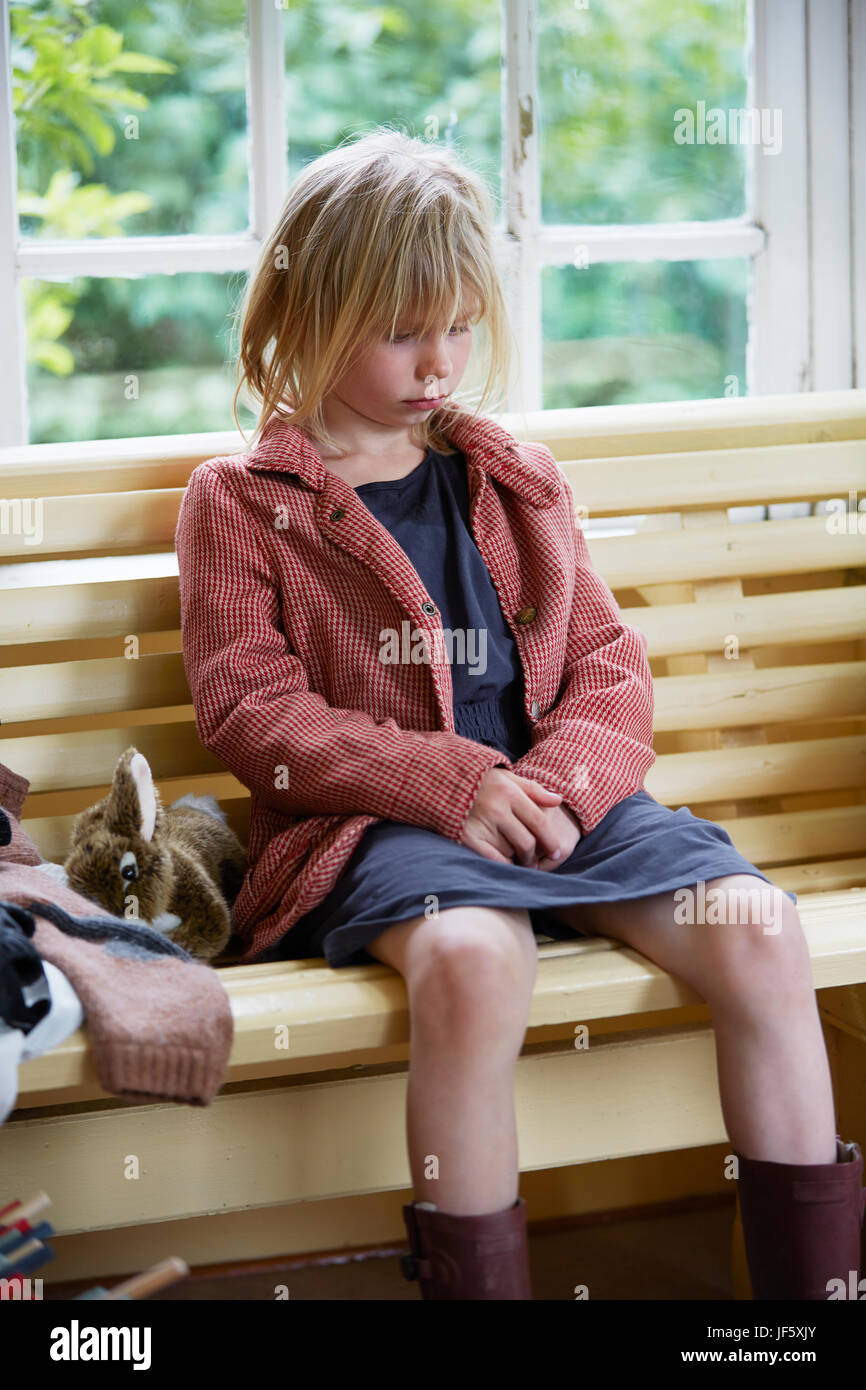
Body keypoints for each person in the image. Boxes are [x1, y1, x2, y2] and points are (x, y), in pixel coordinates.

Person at [174, 127, 864, 1301]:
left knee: (756, 925)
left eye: (457, 325)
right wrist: (450, 784)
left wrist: (565, 785)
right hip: (375, 828)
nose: (438, 360)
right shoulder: (243, 503)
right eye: (402, 331)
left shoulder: (513, 476)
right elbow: (252, 712)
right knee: (471, 958)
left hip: (564, 801)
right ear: (312, 310)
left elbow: (605, 663)